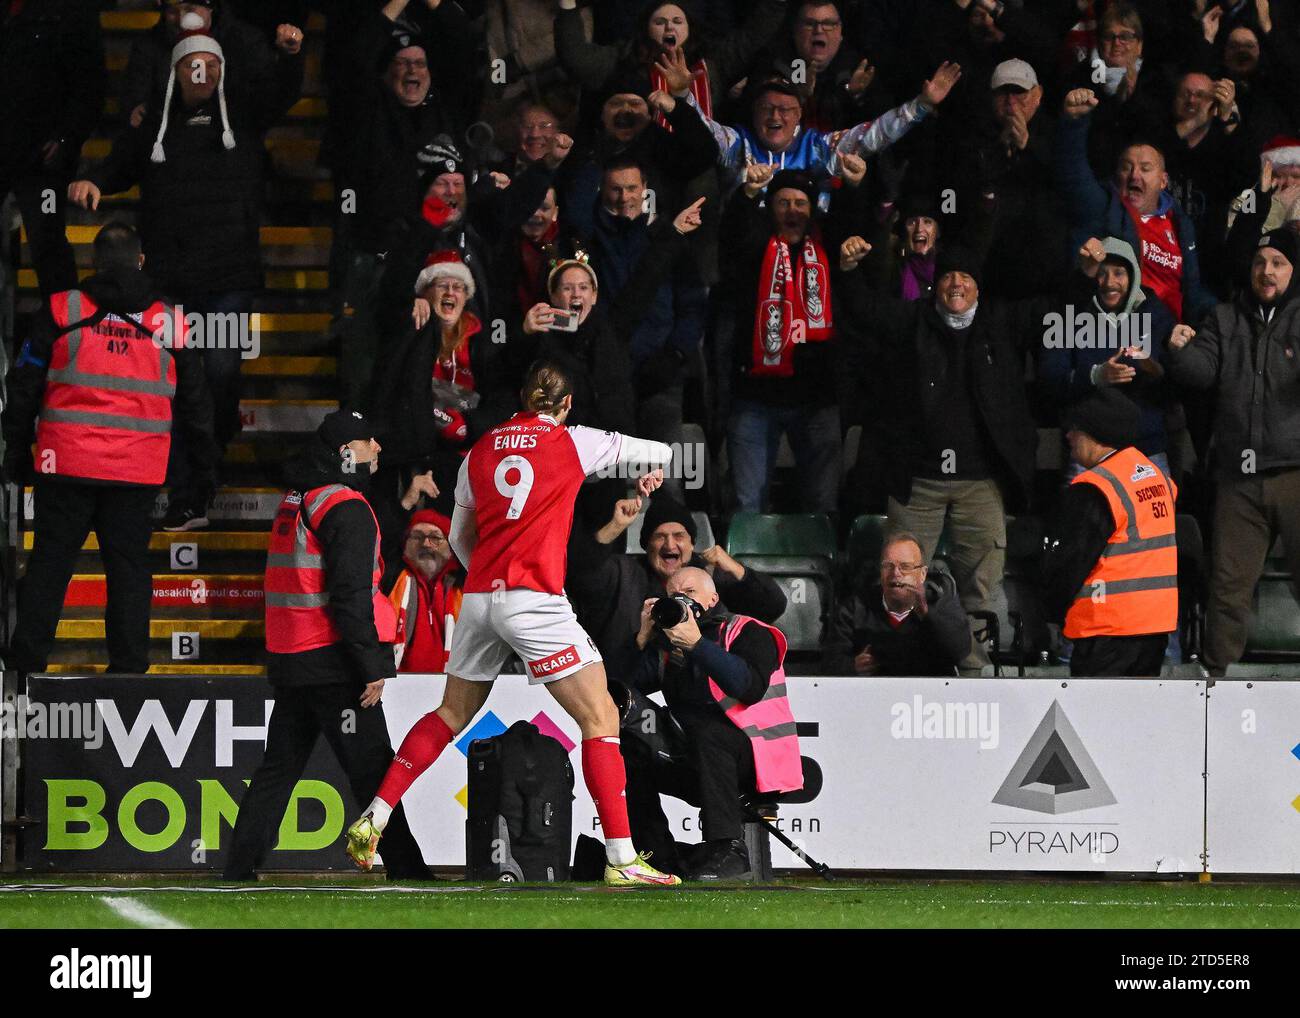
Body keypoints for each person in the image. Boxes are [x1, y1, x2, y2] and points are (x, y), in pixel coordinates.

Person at [344, 361, 683, 887]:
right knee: (600, 717)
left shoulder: (480, 450)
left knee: (451, 711)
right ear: (566, 405)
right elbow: (657, 451)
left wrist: (489, 572)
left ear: (523, 399)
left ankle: (376, 815)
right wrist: (649, 471)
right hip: (535, 597)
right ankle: (622, 859)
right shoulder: (574, 440)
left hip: (480, 595)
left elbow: (459, 538)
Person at [68, 24, 305, 530]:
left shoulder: (242, 114)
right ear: (175, 71)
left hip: (229, 283)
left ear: (222, 69)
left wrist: (287, 56)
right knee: (173, 385)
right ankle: (189, 491)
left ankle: (208, 460)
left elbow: (283, 93)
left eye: (211, 62)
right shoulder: (154, 124)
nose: (202, 70)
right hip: (171, 286)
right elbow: (119, 163)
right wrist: (93, 179)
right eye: (191, 63)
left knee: (220, 374)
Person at [1, 223, 215, 676]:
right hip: (137, 470)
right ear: (141, 260)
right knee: (129, 572)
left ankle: (25, 664)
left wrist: (16, 453)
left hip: (66, 465)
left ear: (94, 263)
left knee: (50, 565)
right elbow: (197, 405)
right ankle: (129, 669)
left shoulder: (63, 309)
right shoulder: (170, 323)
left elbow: (22, 387)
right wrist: (201, 475)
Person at [224, 410, 427, 880]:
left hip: (292, 657)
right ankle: (409, 871)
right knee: (375, 773)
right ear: (345, 453)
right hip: (333, 661)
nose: (377, 448)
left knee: (278, 770)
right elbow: (350, 595)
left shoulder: (299, 499)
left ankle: (237, 870)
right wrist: (370, 663)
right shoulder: (345, 507)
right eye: (367, 441)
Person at [837, 235, 1045, 671]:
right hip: (918, 481)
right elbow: (865, 313)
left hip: (979, 482)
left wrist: (1083, 278)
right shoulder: (912, 321)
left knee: (980, 590)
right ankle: (907, 665)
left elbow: (1050, 306)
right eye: (948, 275)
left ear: (978, 286)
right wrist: (850, 272)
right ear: (935, 284)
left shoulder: (1000, 323)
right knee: (900, 583)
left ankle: (972, 675)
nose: (955, 284)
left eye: (965, 276)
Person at [1166, 231, 1300, 677]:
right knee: (1227, 586)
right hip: (1238, 480)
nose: (1267, 271)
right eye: (1261, 261)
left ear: (1293, 270)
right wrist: (1180, 352)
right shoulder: (1224, 318)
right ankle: (1214, 678)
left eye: (1278, 262)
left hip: (1295, 475)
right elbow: (1200, 373)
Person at [624, 566, 801, 879]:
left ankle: (727, 847)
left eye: (689, 593)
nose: (680, 599)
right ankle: (653, 852)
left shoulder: (749, 631)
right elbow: (621, 689)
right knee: (632, 741)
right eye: (673, 595)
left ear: (713, 598)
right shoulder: (667, 646)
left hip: (756, 765)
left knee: (706, 729)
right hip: (697, 762)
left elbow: (748, 687)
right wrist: (640, 638)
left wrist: (697, 645)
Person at [568, 493, 788, 679]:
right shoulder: (623, 572)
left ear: (692, 543)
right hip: (626, 685)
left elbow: (773, 606)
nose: (670, 544)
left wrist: (735, 567)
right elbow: (580, 574)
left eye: (679, 536)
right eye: (659, 536)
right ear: (646, 546)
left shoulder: (708, 576)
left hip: (697, 689)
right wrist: (615, 526)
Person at [1041, 389, 1178, 677]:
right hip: (1153, 629)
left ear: (1095, 432)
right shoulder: (1156, 476)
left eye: (1075, 429)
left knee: (1095, 719)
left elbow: (1071, 562)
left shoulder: (1096, 487)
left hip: (1106, 630)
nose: (1068, 436)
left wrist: (1052, 611)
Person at [1055, 86, 1216, 325]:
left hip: (1176, 334)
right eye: (1126, 167)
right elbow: (1073, 173)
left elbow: (1191, 291)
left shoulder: (1180, 223)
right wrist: (1074, 122)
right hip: (1124, 327)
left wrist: (1219, 315)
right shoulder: (1103, 206)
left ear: (1163, 181)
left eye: (1145, 168)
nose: (1134, 176)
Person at [1038, 236, 1177, 478]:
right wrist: (1096, 375)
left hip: (1146, 450)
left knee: (1150, 518)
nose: (1109, 282)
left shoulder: (1154, 313)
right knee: (1088, 516)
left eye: (1119, 273)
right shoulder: (1069, 316)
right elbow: (1051, 378)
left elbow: (1173, 385)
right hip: (1089, 452)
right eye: (1101, 274)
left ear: (1133, 276)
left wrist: (1160, 363)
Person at [0, 0, 104, 299]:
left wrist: (65, 138)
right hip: (10, 150)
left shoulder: (73, 12)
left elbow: (91, 85)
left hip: (42, 161)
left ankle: (65, 333)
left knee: (48, 245)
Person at [824, 531, 971, 676]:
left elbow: (959, 651)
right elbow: (830, 661)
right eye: (888, 566)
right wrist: (853, 666)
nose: (896, 573)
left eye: (905, 567)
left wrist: (926, 614)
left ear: (922, 574)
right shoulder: (855, 607)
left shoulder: (942, 603)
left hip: (928, 695)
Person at [386, 509, 464, 674]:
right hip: (398, 682)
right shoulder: (391, 580)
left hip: (454, 683)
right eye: (417, 537)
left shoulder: (464, 585)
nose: (426, 544)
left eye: (435, 537)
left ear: (450, 545)